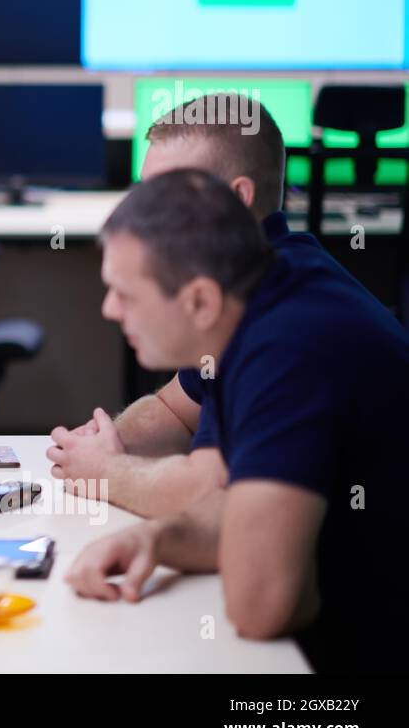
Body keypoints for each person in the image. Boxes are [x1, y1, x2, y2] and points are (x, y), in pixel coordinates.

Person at [65, 169, 409, 673]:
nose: (109, 309)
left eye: (126, 293)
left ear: (200, 300)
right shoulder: (260, 304)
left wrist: (262, 549)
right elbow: (239, 503)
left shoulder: (286, 351)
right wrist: (157, 539)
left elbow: (260, 609)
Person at [47, 93, 371, 517]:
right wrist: (102, 441)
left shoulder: (286, 319)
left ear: (237, 200)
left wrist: (108, 471)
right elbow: (176, 412)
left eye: (166, 199)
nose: (141, 218)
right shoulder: (255, 282)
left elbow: (216, 502)